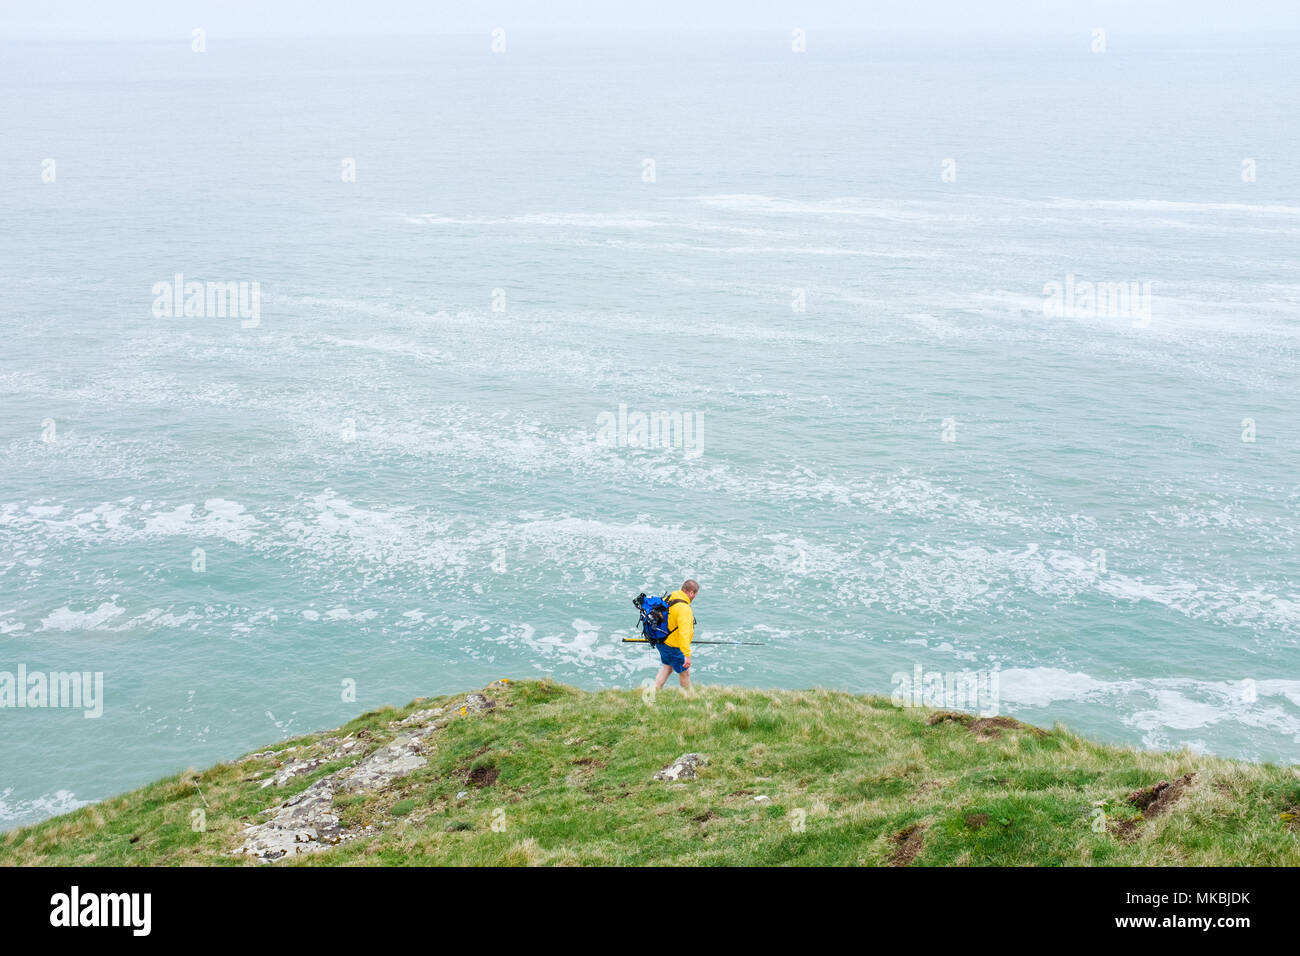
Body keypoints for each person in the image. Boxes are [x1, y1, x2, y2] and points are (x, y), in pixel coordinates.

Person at [653, 579, 698, 692]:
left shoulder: (670, 597)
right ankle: (689, 698)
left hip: (661, 641)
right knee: (685, 672)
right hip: (673, 646)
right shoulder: (684, 609)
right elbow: (684, 633)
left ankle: (653, 692)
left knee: (667, 668)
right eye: (695, 594)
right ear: (691, 593)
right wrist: (687, 655)